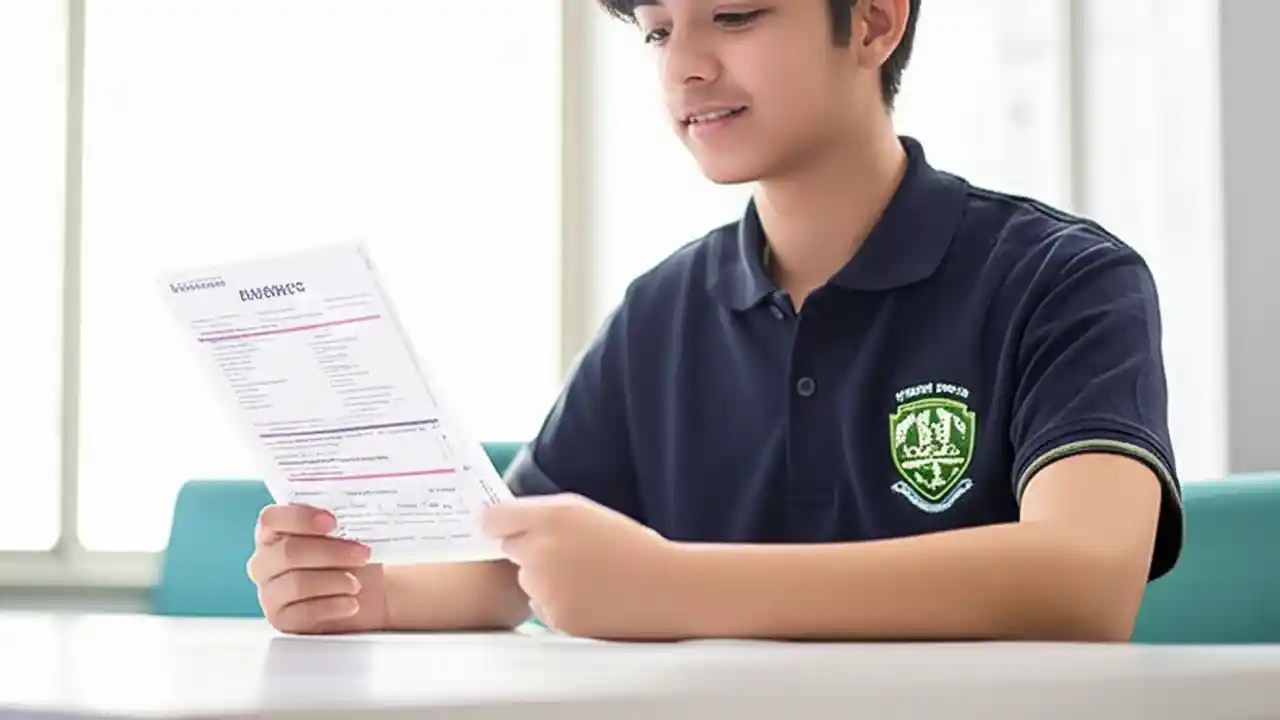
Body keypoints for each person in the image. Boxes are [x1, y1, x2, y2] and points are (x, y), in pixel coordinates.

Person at [247, 0, 1183, 641]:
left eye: (734, 16)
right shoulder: (661, 311)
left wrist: (670, 586)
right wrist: (366, 592)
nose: (685, 67)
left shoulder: (1065, 279)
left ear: (872, 21)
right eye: (658, 30)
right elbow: (510, 571)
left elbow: (1085, 578)